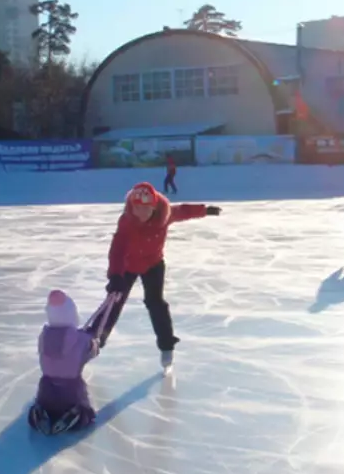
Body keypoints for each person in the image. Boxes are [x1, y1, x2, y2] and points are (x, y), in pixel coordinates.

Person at [99, 182, 222, 370]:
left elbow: (183, 211)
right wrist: (115, 275)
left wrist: (204, 210)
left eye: (145, 208)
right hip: (127, 265)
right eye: (137, 207)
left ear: (154, 206)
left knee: (155, 302)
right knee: (114, 300)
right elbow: (117, 250)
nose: (141, 212)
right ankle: (96, 339)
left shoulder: (165, 214)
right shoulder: (127, 221)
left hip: (152, 264)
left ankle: (166, 345)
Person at [27, 290, 116, 435]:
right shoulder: (81, 339)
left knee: (46, 402)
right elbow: (92, 352)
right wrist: (95, 343)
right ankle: (75, 416)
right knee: (88, 415)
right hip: (71, 389)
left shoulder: (43, 336)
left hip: (46, 386)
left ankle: (40, 410)